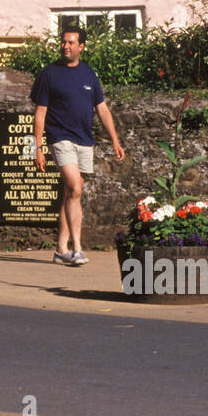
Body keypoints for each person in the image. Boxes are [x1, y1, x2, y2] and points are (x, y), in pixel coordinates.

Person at [31, 26, 125, 265]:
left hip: (85, 140)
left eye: (71, 43)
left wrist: (114, 139)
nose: (65, 46)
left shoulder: (89, 74)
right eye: (63, 42)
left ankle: (60, 249)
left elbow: (101, 108)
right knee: (75, 188)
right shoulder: (49, 74)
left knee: (70, 194)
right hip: (60, 137)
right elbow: (40, 112)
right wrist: (38, 147)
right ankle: (77, 248)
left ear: (81, 47)